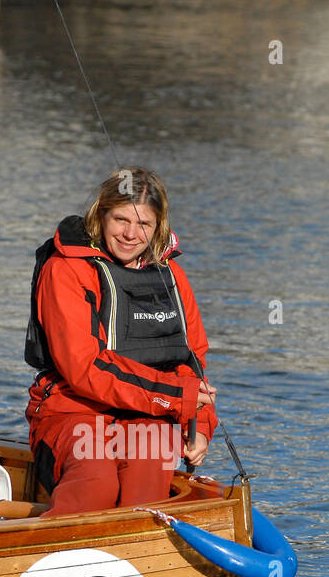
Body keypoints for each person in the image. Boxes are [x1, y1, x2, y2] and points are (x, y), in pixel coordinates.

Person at [24, 167, 217, 516]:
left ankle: (139, 560)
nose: (130, 234)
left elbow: (191, 362)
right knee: (96, 484)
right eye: (120, 220)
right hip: (74, 411)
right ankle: (49, 555)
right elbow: (85, 368)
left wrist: (199, 428)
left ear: (159, 226)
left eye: (144, 224)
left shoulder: (171, 276)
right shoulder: (65, 269)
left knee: (145, 487)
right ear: (102, 215)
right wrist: (176, 397)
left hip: (149, 414)